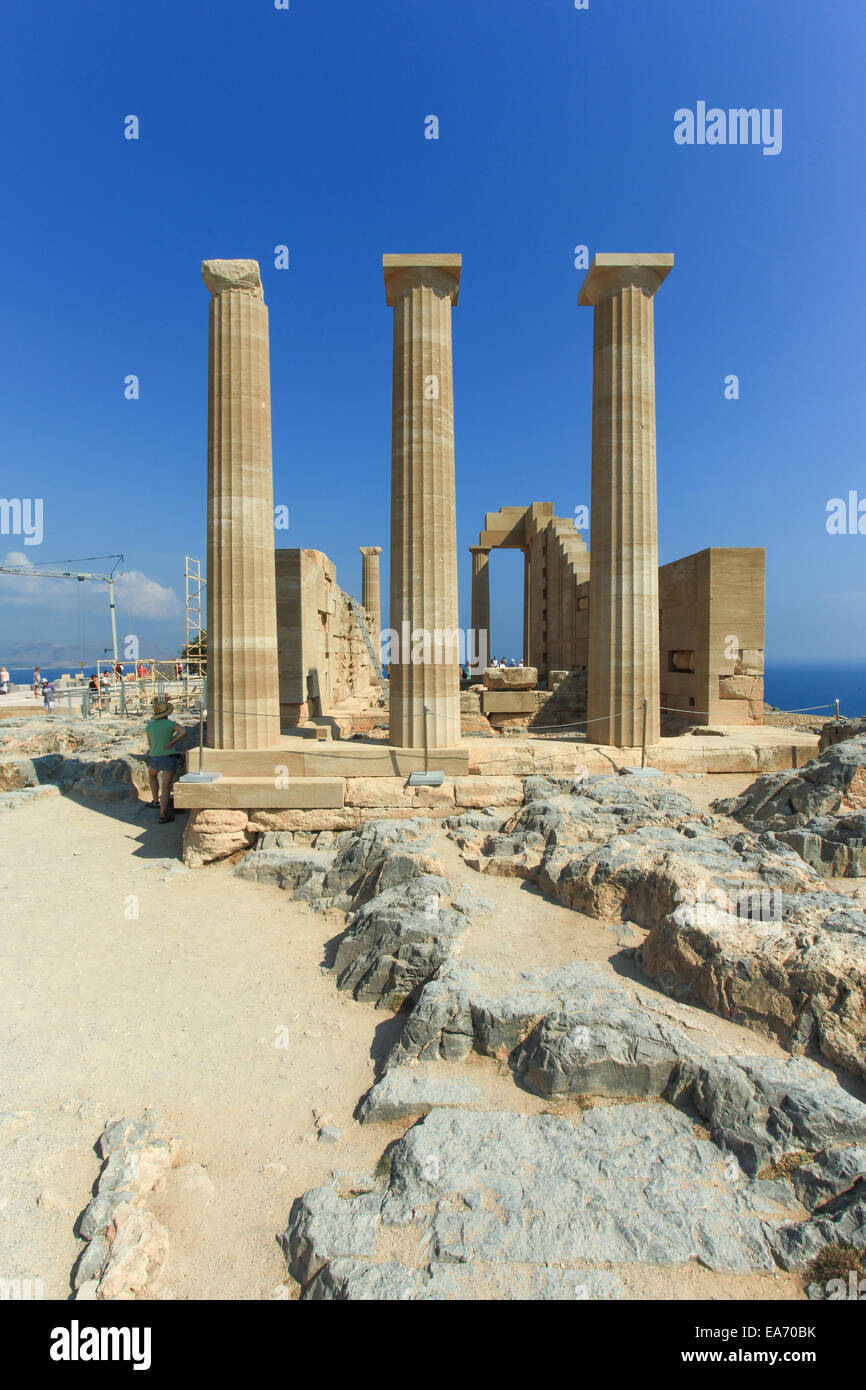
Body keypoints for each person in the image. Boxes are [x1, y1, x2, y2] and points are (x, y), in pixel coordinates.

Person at [145, 698, 185, 823]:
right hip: (168, 756)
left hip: (154, 756)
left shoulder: (150, 726)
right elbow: (183, 732)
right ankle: (163, 815)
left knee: (152, 776)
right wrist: (172, 742)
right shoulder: (171, 724)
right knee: (166, 786)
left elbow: (150, 743)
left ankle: (155, 800)